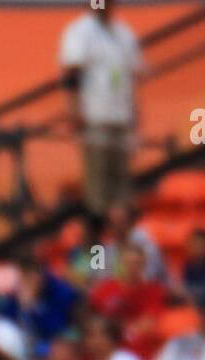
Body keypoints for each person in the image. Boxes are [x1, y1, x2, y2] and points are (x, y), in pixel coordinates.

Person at [59, 0, 143, 216]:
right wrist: (74, 110)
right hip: (95, 118)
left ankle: (118, 240)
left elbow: (132, 77)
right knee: (97, 188)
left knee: (122, 188)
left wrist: (135, 114)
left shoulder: (124, 34)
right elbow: (71, 75)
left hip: (121, 118)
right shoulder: (80, 32)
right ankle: (98, 239)